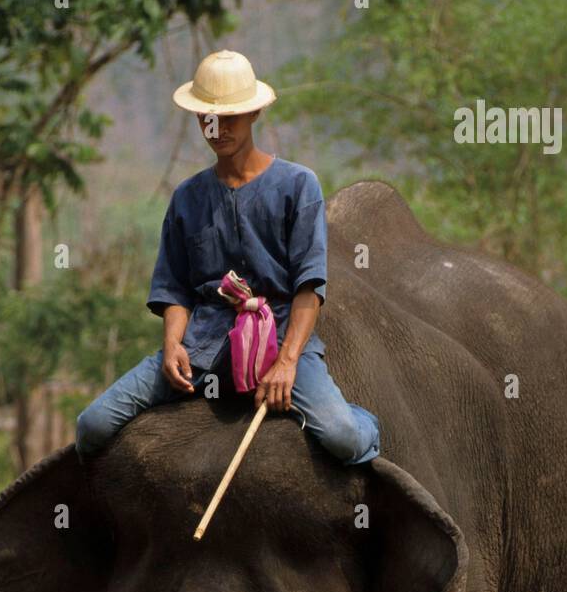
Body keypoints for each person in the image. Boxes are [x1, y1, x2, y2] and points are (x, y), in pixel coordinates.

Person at [75, 49, 380, 466]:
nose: (218, 128)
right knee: (91, 425)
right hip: (205, 342)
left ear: (254, 113)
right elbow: (175, 289)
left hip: (280, 335)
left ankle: (370, 424)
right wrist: (171, 346)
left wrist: (287, 362)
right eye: (207, 118)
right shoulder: (187, 197)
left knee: (343, 437)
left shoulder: (298, 184)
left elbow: (310, 286)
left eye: (230, 117)